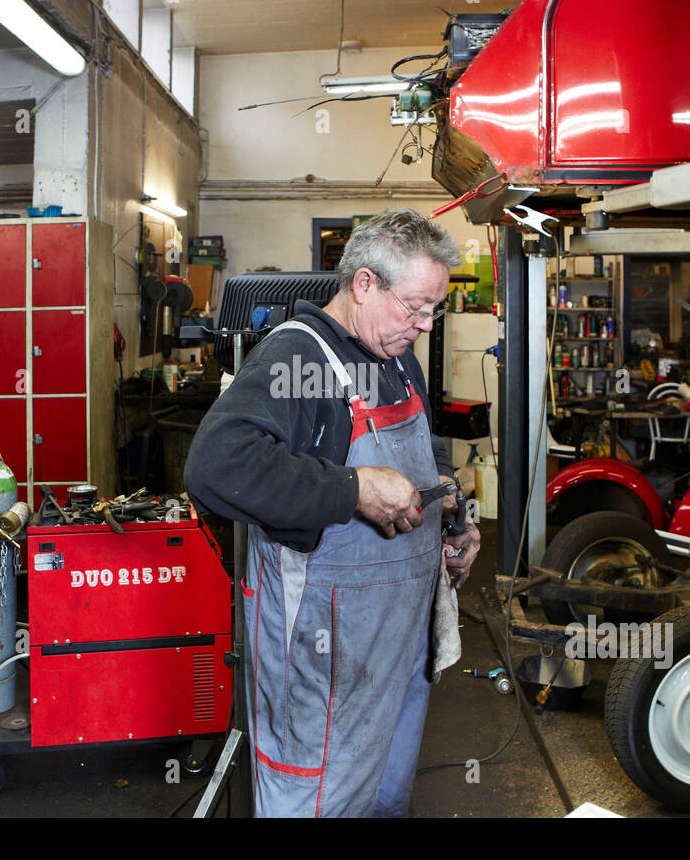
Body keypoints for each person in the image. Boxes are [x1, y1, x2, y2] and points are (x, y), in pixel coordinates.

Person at [184, 207, 481, 817]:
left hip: (396, 646)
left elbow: (427, 458)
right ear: (365, 284)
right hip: (326, 654)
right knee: (316, 800)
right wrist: (353, 489)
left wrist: (453, 518)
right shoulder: (302, 360)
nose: (425, 326)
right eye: (415, 307)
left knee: (384, 796)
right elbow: (217, 464)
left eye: (433, 310)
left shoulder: (395, 356)